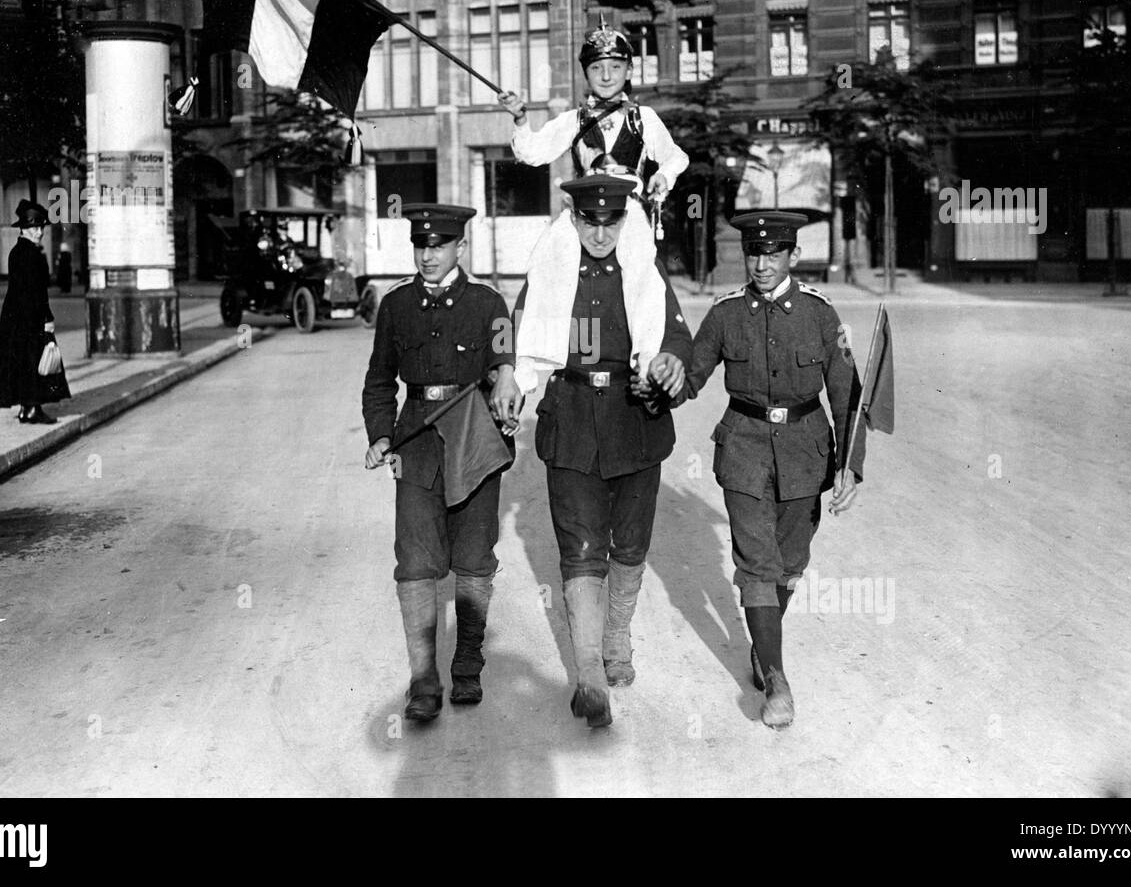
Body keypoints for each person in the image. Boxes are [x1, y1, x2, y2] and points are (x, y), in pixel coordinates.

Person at [511, 173, 692, 729]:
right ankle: (589, 671)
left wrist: (668, 365)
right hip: (570, 422)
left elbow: (678, 337)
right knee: (581, 547)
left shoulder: (644, 269)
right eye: (588, 220)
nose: (599, 232)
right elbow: (516, 336)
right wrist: (509, 381)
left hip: (635, 423)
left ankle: (616, 640)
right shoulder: (549, 269)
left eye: (609, 220)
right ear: (574, 218)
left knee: (631, 545)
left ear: (623, 219)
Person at [686, 211, 866, 728]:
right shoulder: (724, 314)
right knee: (758, 565)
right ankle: (778, 680)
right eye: (753, 253)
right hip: (742, 448)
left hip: (806, 452)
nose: (761, 263)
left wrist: (851, 466)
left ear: (793, 256)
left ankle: (762, 648)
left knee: (790, 561)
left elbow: (846, 397)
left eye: (773, 253)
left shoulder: (820, 315)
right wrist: (663, 378)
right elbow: (691, 375)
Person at [361, 204, 521, 723]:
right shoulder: (396, 306)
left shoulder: (489, 304)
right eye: (421, 246)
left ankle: (468, 666)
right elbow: (380, 379)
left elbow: (504, 365)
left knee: (474, 557)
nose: (429, 255)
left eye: (439, 245)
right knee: (414, 560)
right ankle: (423, 680)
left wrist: (506, 387)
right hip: (416, 443)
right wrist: (381, 435)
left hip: (473, 437)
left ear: (460, 248)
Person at [497, 19, 688, 242]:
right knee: (547, 263)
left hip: (628, 214)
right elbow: (531, 153)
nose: (606, 76)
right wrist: (520, 118)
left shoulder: (642, 117)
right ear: (586, 74)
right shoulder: (573, 120)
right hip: (584, 214)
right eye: (596, 68)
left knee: (641, 271)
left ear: (629, 71)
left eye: (615, 67)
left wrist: (664, 175)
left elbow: (677, 156)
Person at [0, 200, 70, 425]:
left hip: (15, 316)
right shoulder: (33, 254)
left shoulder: (17, 251)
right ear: (23, 229)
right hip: (31, 317)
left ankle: (26, 408)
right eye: (34, 227)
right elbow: (37, 292)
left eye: (41, 227)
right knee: (35, 360)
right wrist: (47, 318)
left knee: (23, 362)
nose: (40, 231)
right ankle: (33, 407)